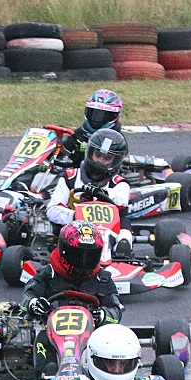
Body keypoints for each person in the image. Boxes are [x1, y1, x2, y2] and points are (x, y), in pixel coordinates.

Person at [45, 127, 135, 259]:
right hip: (73, 231)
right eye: (97, 155)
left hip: (107, 232)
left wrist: (99, 195)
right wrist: (77, 215)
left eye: (107, 158)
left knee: (123, 220)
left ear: (115, 161)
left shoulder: (119, 183)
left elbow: (121, 202)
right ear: (90, 153)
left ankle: (122, 247)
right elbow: (52, 210)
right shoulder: (70, 177)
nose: (100, 161)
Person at [22, 221, 124, 324]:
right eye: (78, 255)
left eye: (90, 256)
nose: (84, 261)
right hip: (50, 332)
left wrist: (103, 315)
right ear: (63, 251)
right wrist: (34, 304)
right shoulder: (49, 274)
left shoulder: (103, 279)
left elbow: (116, 312)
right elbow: (26, 299)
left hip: (91, 336)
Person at [54, 88, 124, 168]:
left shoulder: (117, 141)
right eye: (93, 114)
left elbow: (118, 165)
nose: (96, 120)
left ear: (115, 116)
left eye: (102, 116)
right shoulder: (79, 134)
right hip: (76, 175)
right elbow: (61, 152)